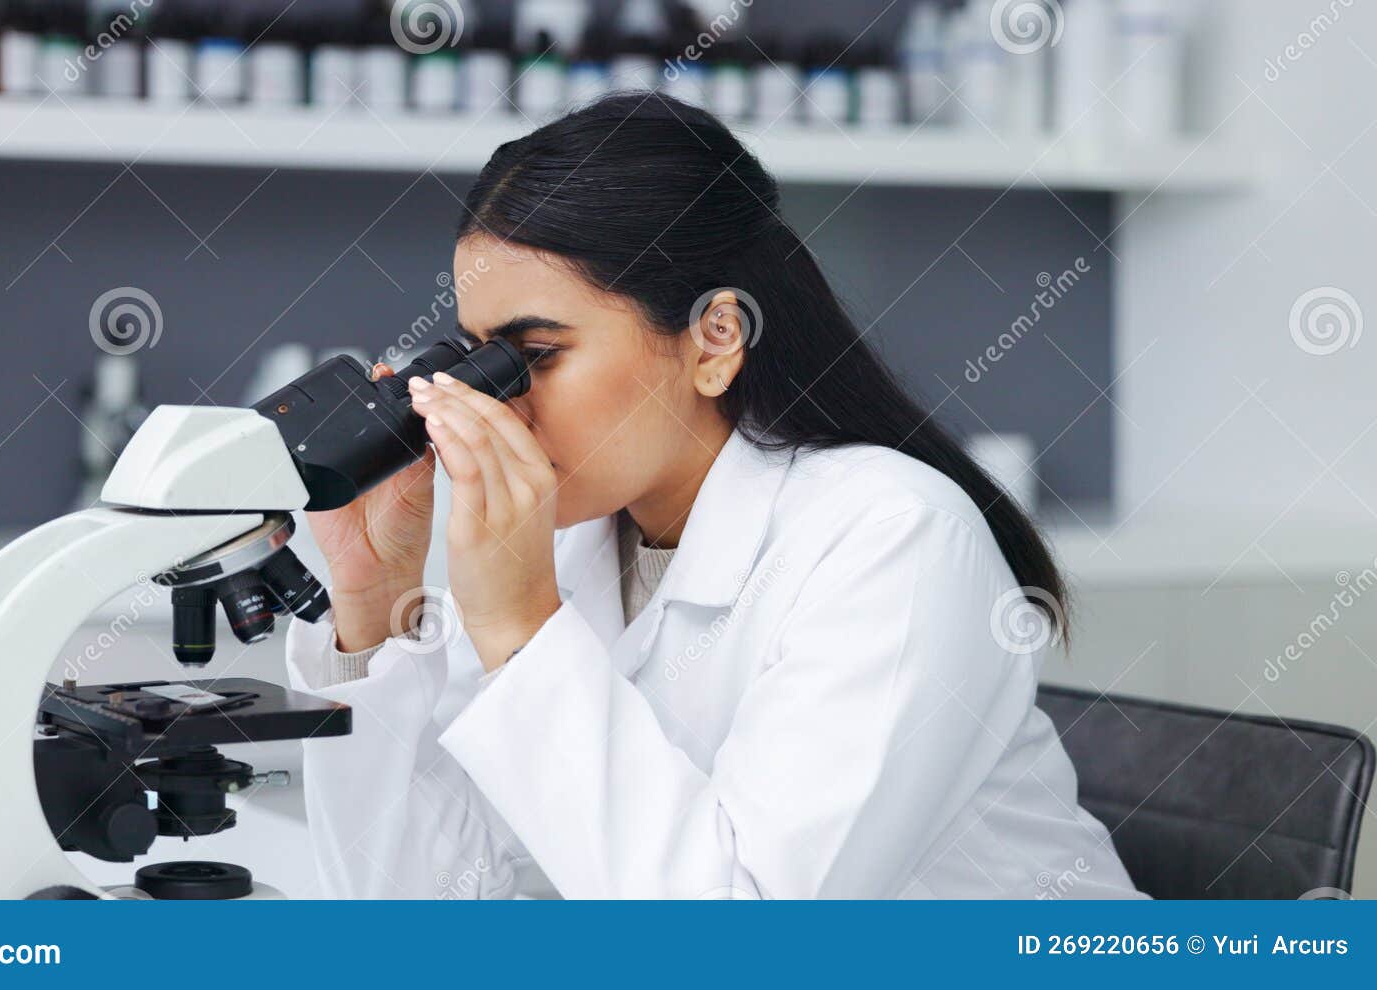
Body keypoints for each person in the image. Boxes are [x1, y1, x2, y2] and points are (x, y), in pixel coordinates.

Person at [283, 92, 1143, 900]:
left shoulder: (895, 537)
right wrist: (374, 607)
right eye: (475, 356)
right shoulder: (571, 549)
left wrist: (521, 631)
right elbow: (429, 904)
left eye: (533, 355)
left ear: (714, 340)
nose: (492, 399)